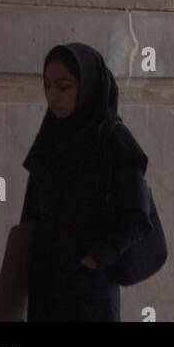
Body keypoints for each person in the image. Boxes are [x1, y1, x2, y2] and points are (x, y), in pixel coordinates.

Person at [20, 42, 152, 322]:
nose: (53, 96)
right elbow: (31, 215)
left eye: (63, 87)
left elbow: (138, 216)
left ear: (87, 85)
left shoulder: (113, 139)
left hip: (90, 295)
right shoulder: (50, 139)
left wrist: (96, 258)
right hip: (46, 290)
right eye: (47, 86)